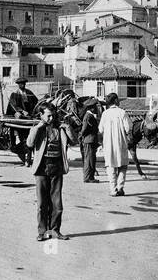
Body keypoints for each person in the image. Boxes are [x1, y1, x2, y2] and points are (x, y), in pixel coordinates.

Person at [26, 102, 73, 241]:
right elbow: (29, 143)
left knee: (57, 204)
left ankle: (55, 230)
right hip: (41, 169)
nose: (51, 118)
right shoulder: (38, 129)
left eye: (53, 115)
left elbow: (74, 140)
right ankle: (42, 232)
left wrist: (68, 127)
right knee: (42, 204)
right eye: (48, 116)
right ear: (41, 115)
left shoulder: (60, 129)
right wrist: (39, 126)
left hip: (57, 168)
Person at [98, 92, 131, 196]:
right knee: (122, 166)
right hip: (121, 142)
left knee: (111, 166)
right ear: (116, 100)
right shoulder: (122, 112)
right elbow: (128, 128)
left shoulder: (105, 113)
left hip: (108, 144)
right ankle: (120, 187)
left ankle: (113, 190)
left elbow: (100, 129)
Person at [6, 76, 39, 165]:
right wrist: (21, 111)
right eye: (20, 84)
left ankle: (28, 158)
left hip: (29, 116)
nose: (22, 85)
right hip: (19, 115)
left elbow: (36, 102)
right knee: (22, 137)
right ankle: (25, 158)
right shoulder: (15, 94)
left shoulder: (29, 93)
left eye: (23, 83)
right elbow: (13, 106)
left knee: (30, 137)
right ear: (18, 85)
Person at [78, 97, 102, 183]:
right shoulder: (88, 116)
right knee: (89, 160)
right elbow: (84, 129)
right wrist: (82, 136)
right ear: (90, 108)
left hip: (91, 140)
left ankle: (90, 177)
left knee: (91, 159)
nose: (96, 109)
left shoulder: (89, 116)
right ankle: (88, 178)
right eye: (95, 107)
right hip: (89, 140)